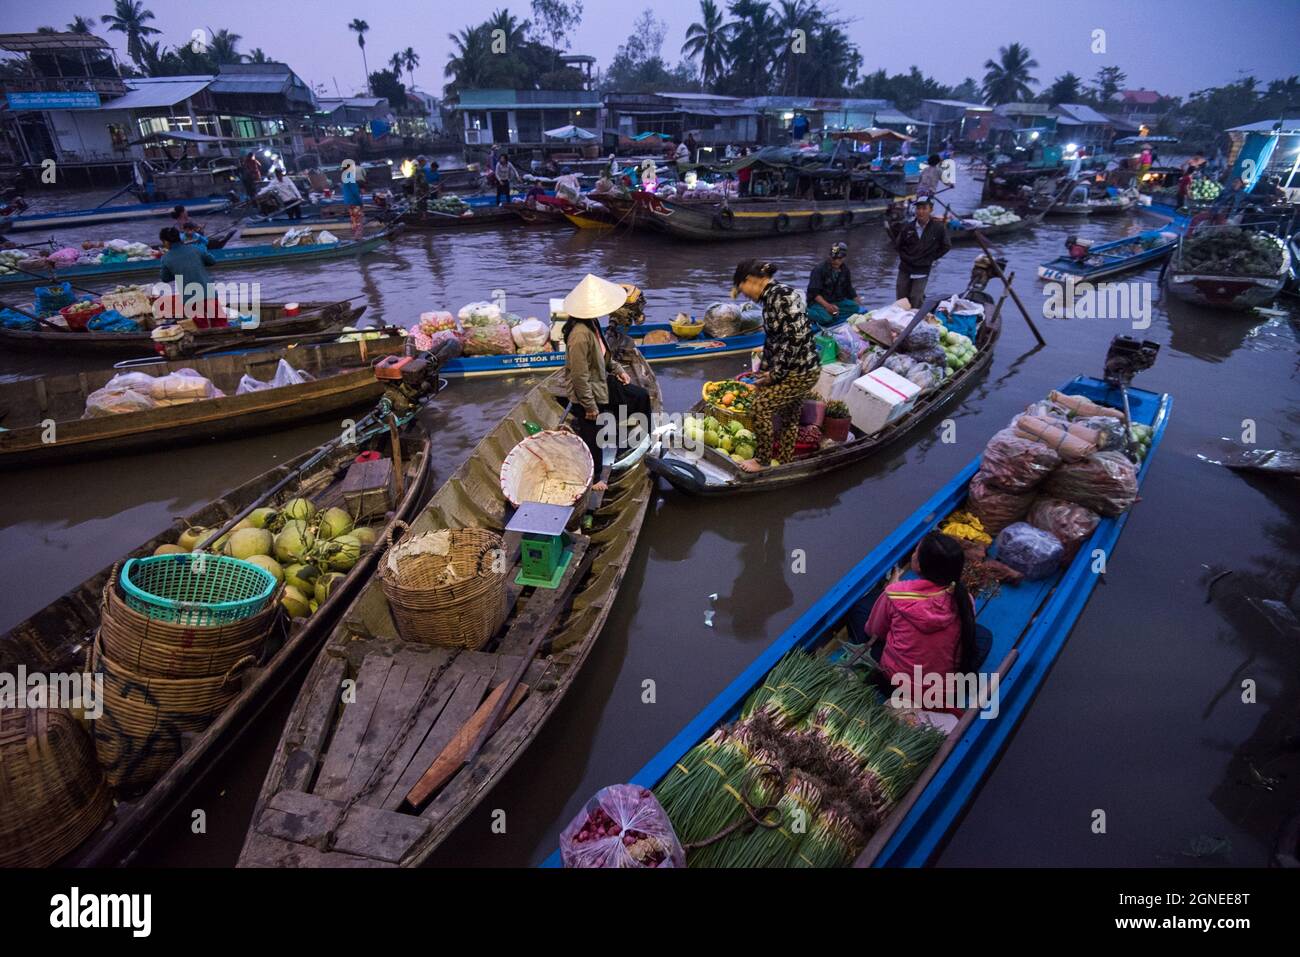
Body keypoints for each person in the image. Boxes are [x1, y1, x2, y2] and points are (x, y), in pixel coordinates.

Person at [845, 531, 986, 708]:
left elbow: (875, 632)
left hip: (896, 686)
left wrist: (890, 589)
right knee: (983, 636)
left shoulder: (895, 594)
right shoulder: (965, 598)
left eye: (916, 552)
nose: (913, 554)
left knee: (860, 610)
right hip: (942, 691)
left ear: (919, 566)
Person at [559, 274, 653, 492]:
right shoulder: (580, 336)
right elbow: (579, 376)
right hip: (587, 392)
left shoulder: (591, 324)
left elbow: (604, 357)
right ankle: (595, 480)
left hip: (600, 382)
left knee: (640, 396)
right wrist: (590, 407)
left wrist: (618, 369)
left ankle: (640, 441)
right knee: (592, 438)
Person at [730, 259, 821, 473]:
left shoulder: (780, 297)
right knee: (790, 416)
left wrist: (776, 375)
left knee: (760, 407)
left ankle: (761, 461)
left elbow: (794, 339)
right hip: (801, 368)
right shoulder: (774, 296)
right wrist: (762, 372)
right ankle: (785, 461)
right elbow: (772, 341)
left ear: (752, 281)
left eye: (744, 291)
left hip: (800, 371)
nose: (747, 297)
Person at [890, 197, 951, 308]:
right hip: (905, 268)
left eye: (924, 208)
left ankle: (916, 319)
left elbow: (946, 246)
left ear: (930, 210)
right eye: (918, 208)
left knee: (916, 297)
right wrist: (906, 257)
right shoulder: (908, 227)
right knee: (901, 297)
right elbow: (898, 246)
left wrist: (931, 258)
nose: (920, 211)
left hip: (922, 268)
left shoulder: (938, 228)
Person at [158, 226, 219, 325]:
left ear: (165, 242)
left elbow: (165, 278)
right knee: (219, 321)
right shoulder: (196, 249)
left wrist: (177, 270)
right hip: (208, 293)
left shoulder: (166, 258)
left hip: (190, 298)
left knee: (201, 326)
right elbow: (212, 261)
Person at [806, 241, 863, 327]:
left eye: (839, 259)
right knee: (826, 318)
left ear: (844, 258)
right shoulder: (819, 270)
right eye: (833, 258)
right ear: (830, 256)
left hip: (835, 300)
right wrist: (827, 306)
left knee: (854, 307)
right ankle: (805, 311)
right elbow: (814, 293)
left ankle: (833, 313)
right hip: (818, 302)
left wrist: (855, 298)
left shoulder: (845, 270)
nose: (836, 261)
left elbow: (848, 287)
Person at [341, 160, 366, 240]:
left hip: (349, 202)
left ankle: (356, 237)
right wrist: (360, 202)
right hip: (354, 202)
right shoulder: (349, 177)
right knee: (358, 220)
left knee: (354, 220)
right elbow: (355, 192)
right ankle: (358, 237)